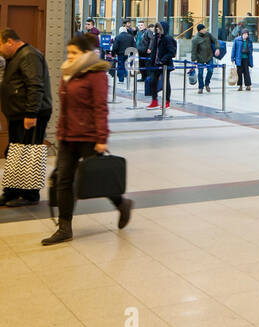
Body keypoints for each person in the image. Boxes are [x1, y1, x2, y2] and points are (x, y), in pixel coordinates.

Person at [41, 32, 132, 246]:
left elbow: (100, 108)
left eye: (74, 53)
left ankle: (121, 204)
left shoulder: (96, 75)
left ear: (85, 53)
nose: (69, 56)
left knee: (99, 178)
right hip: (68, 136)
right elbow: (65, 108)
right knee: (64, 181)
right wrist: (60, 132)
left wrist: (102, 138)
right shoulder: (68, 72)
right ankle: (64, 228)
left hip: (89, 136)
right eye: (68, 52)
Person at [0, 28, 52, 207]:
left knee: (28, 155)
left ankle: (29, 194)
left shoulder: (29, 55)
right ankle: (12, 192)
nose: (0, 51)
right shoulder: (15, 56)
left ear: (9, 42)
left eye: (0, 46)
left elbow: (35, 85)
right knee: (16, 153)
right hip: (19, 113)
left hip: (30, 114)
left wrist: (31, 113)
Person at [144, 23, 176, 108]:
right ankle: (154, 101)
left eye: (159, 27)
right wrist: (151, 61)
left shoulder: (167, 38)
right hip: (155, 64)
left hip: (165, 65)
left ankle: (167, 102)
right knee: (152, 81)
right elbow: (154, 51)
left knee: (166, 83)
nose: (157, 28)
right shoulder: (156, 38)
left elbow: (172, 52)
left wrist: (163, 60)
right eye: (156, 27)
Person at [190, 23, 219, 93]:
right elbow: (193, 51)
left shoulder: (208, 35)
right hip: (200, 58)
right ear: (199, 30)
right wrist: (193, 61)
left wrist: (217, 48)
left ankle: (207, 84)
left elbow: (215, 40)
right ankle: (200, 87)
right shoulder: (195, 39)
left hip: (209, 56)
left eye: (204, 28)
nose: (204, 30)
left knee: (210, 71)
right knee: (200, 73)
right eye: (203, 29)